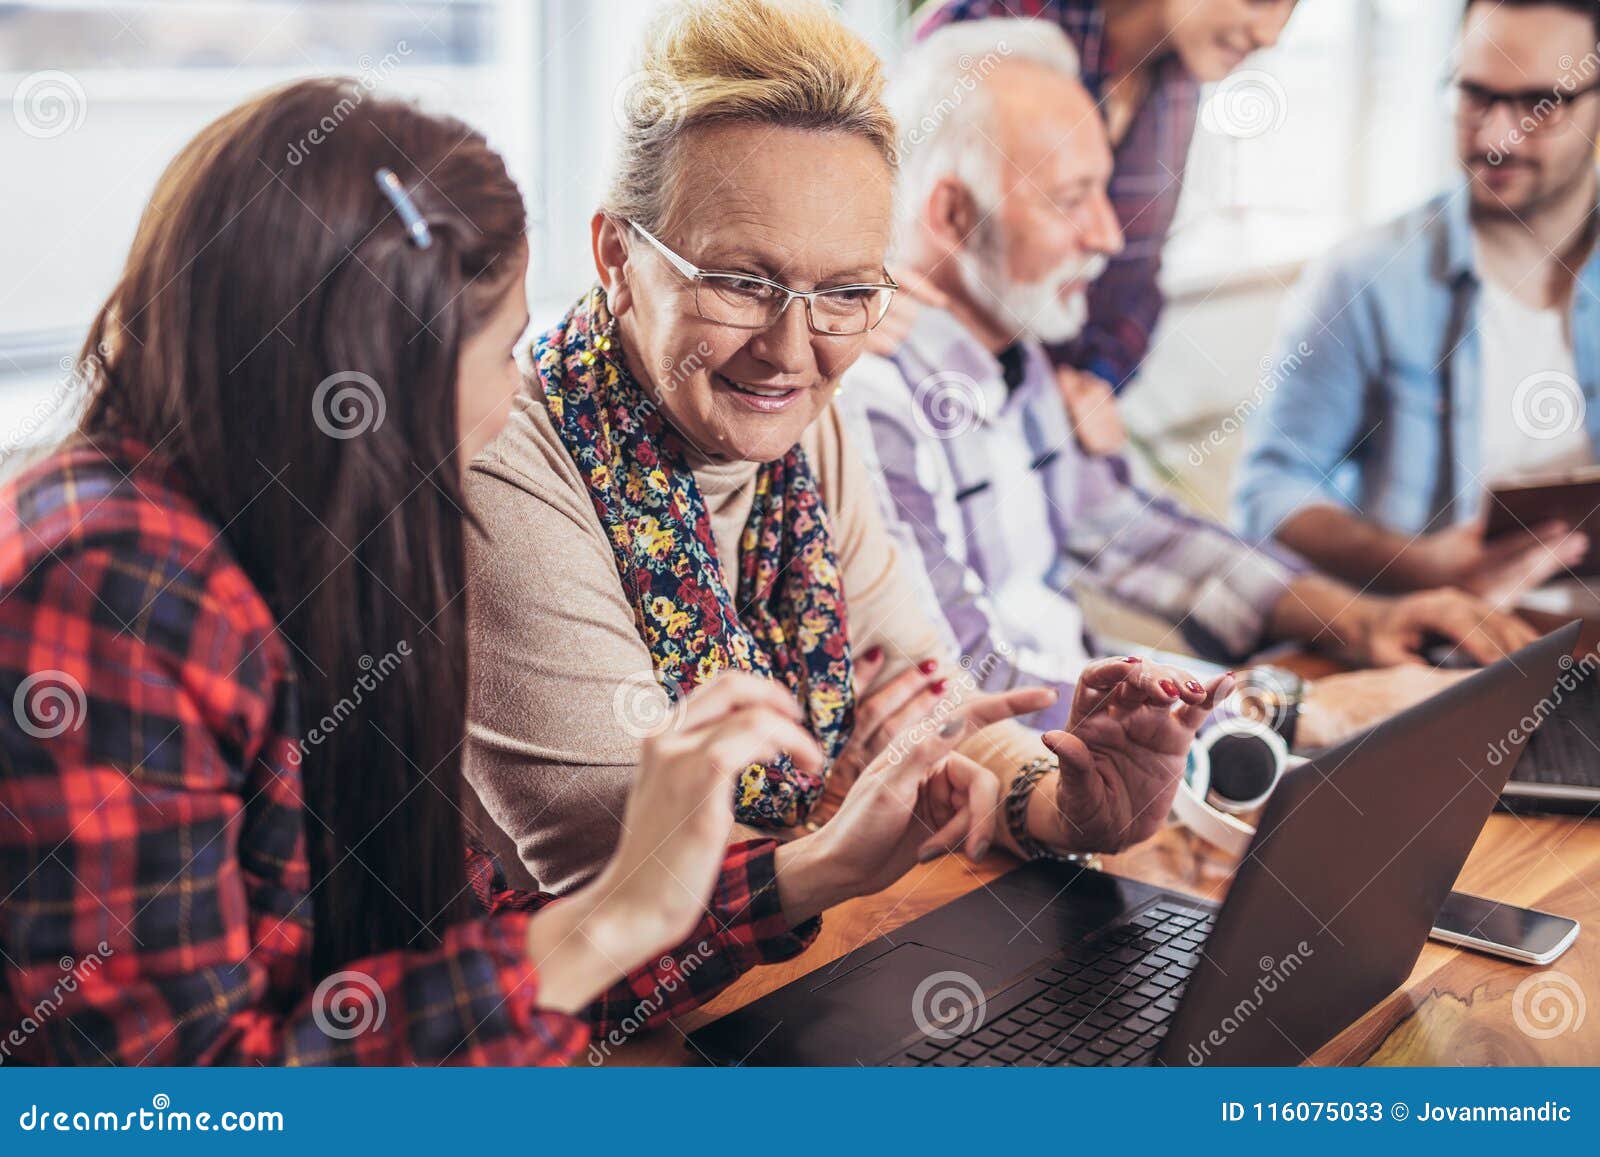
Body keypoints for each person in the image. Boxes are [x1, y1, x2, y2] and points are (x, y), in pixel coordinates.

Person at [0, 79, 1009, 1066]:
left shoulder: (305, 555)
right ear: (367, 374)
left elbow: (452, 941)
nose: (510, 401)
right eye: (502, 352)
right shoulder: (112, 592)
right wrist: (610, 917)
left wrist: (812, 871)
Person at [464, 0, 1233, 896]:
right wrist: (833, 849)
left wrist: (1066, 802)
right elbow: (617, 881)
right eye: (741, 283)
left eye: (845, 291)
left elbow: (922, 695)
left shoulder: (806, 428)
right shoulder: (509, 478)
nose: (791, 353)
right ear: (616, 256)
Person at [836, 18, 1538, 746]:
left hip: (1097, 770)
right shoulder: (873, 405)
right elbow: (970, 692)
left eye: (1106, 191)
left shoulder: (1022, 358)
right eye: (1072, 199)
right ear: (951, 214)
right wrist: (1292, 712)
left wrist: (1363, 619)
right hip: (1011, 801)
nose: (1109, 237)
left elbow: (1136, 537)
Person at [1233, 0, 1600, 602]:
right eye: (1475, 94)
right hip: (1446, 656)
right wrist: (1416, 567)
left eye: (1542, 105)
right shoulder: (1366, 277)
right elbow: (1268, 492)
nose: (1498, 137)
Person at [877, 0, 1297, 451]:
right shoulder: (997, 21)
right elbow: (882, 203)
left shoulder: (1178, 86)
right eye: (1261, 1)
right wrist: (853, 290)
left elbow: (1140, 271)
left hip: (1059, 423)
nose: (1270, 35)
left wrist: (1099, 380)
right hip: (946, 404)